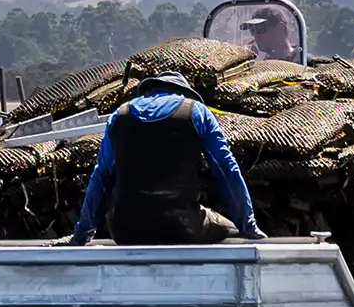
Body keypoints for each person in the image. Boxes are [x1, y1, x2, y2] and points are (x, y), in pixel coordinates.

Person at [65, 69, 265, 246]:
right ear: (185, 93)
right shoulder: (196, 111)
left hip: (125, 230)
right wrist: (248, 225)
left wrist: (82, 234)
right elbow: (226, 168)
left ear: (150, 90)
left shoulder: (119, 115)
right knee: (228, 228)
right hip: (183, 226)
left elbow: (101, 176)